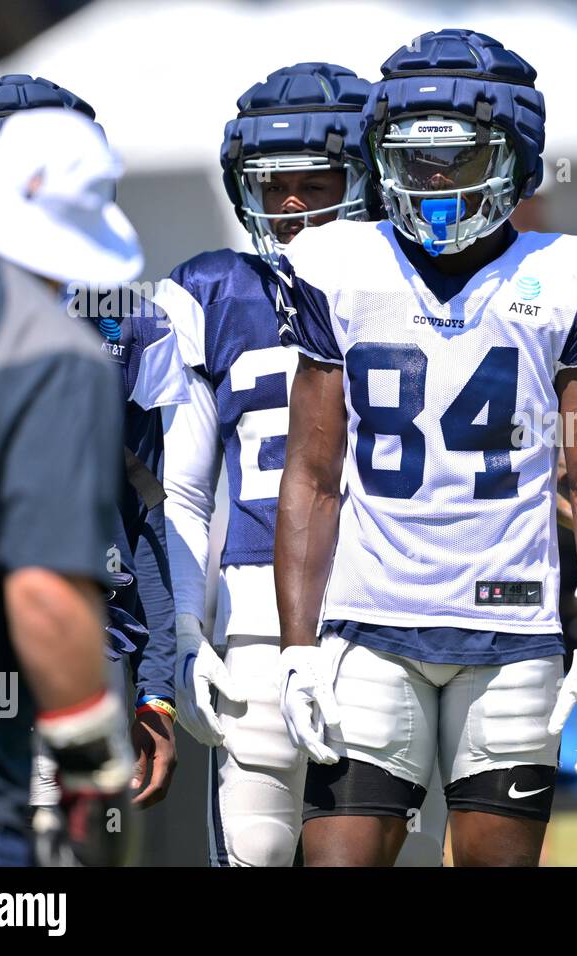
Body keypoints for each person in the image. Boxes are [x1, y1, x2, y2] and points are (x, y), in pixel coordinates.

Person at [275, 29, 577, 867]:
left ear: (514, 158)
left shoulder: (570, 276)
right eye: (414, 161)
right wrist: (298, 646)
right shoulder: (339, 264)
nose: (434, 183)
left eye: (458, 160)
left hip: (510, 630)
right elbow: (314, 473)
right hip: (370, 623)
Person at [155, 62, 443, 867]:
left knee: (397, 851)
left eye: (312, 178)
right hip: (253, 608)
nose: (288, 200)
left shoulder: (423, 285)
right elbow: (182, 487)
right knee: (255, 846)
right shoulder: (211, 292)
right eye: (271, 180)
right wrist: (183, 624)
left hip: (393, 604)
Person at [0, 75, 187, 834]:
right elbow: (49, 584)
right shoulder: (54, 352)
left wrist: (158, 682)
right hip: (44, 658)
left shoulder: (115, 329)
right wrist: (91, 742)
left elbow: (146, 507)